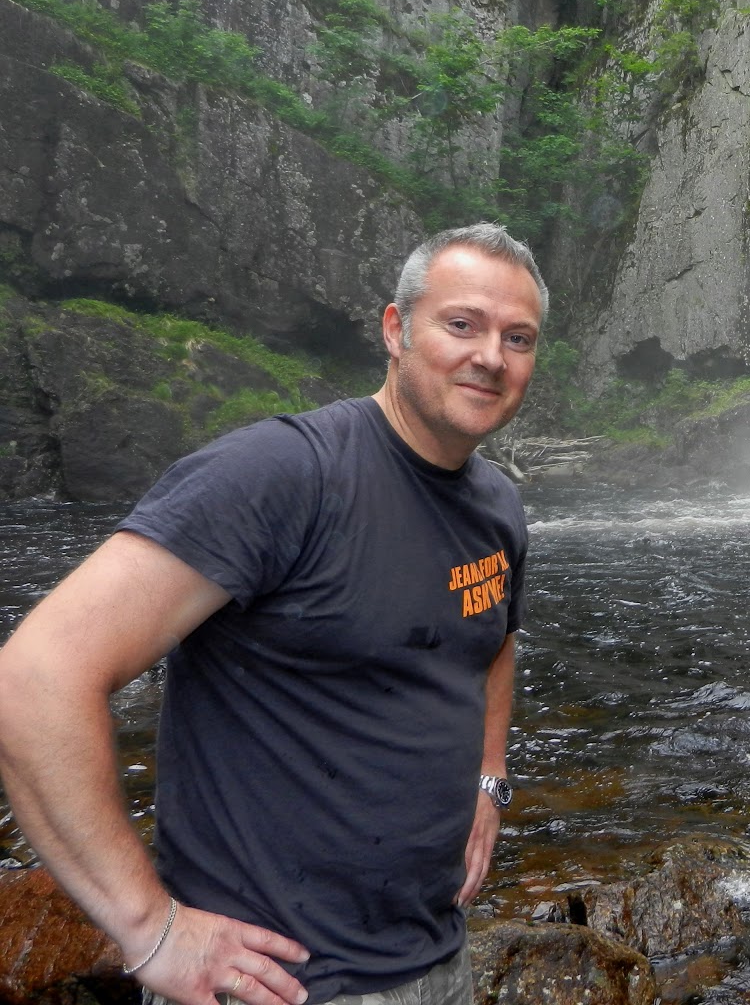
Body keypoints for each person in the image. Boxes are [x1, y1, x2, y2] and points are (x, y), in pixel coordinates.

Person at [0, 222, 547, 1005]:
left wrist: (488, 782)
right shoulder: (280, 476)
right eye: (461, 324)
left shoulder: (496, 504)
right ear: (396, 330)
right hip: (278, 984)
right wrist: (149, 928)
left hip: (435, 962)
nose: (490, 356)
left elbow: (494, 637)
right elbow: (34, 678)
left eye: (517, 337)